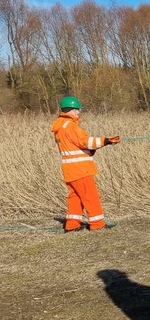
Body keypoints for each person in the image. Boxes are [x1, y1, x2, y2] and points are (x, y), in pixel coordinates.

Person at [51, 96, 120, 232]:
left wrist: (96, 147)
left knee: (75, 196)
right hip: (81, 169)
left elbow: (76, 147)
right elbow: (85, 142)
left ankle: (72, 224)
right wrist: (105, 141)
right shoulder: (71, 126)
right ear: (70, 110)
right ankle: (97, 224)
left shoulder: (60, 127)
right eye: (77, 110)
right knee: (90, 196)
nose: (79, 112)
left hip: (70, 170)